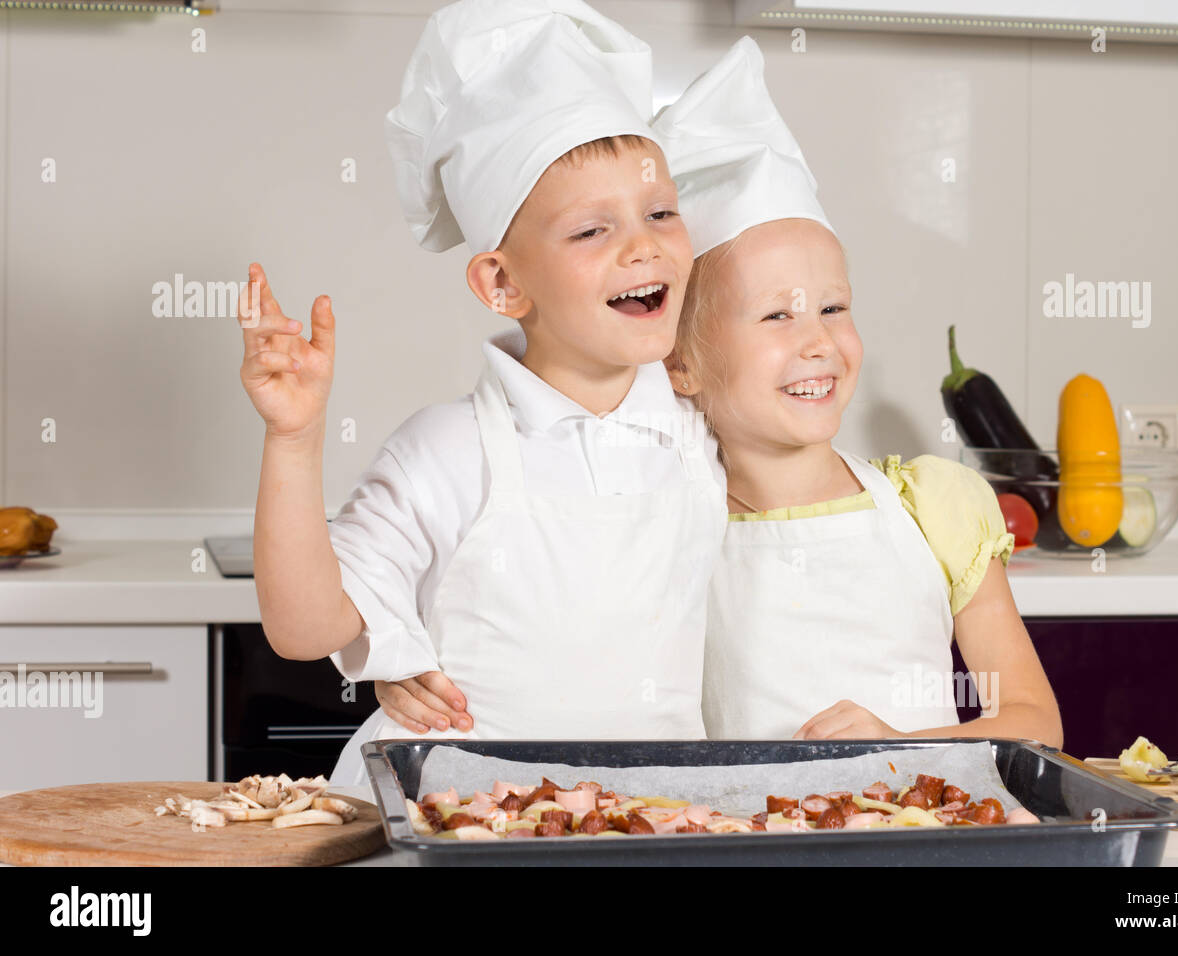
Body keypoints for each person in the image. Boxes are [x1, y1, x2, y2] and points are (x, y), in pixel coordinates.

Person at [375, 36, 1063, 750]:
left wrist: (898, 746)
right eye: (776, 316)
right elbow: (536, 622)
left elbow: (1035, 723)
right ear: (678, 366)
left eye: (834, 308)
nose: (818, 342)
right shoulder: (661, 521)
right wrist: (409, 659)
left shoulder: (934, 509)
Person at [237, 0, 727, 787]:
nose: (643, 244)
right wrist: (294, 438)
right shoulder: (447, 449)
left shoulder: (705, 437)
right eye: (591, 230)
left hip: (649, 818)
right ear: (500, 282)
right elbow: (303, 630)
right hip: (457, 816)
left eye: (661, 212)